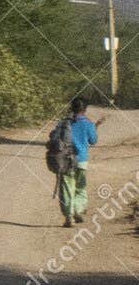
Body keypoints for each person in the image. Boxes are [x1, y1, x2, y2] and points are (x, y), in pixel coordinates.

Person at [58, 97, 101, 226]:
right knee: (80, 187)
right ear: (85, 109)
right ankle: (78, 210)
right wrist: (95, 127)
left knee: (67, 189)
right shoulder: (87, 123)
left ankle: (69, 216)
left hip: (65, 160)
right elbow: (93, 141)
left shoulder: (63, 123)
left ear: (71, 108)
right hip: (81, 160)